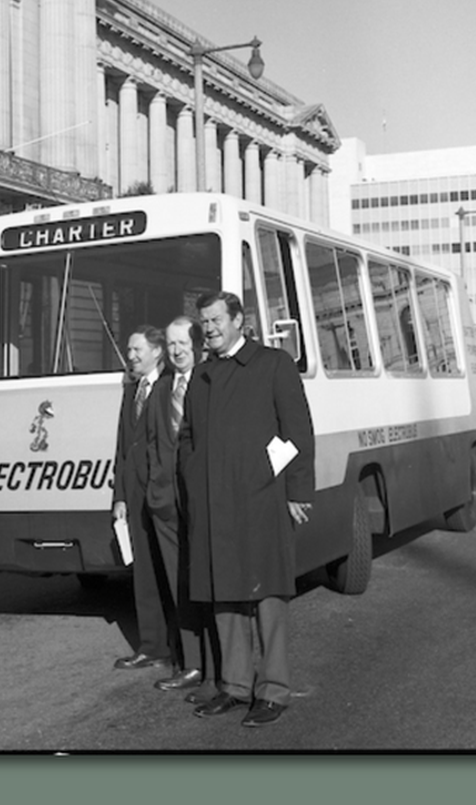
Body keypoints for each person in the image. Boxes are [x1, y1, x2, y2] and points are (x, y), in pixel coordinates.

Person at [178, 291, 316, 728]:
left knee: (268, 595)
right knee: (226, 595)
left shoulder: (273, 364)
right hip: (214, 504)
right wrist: (194, 479)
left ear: (239, 319)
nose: (210, 328)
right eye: (204, 322)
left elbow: (297, 432)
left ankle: (273, 690)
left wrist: (295, 491)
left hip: (262, 499)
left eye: (217, 320)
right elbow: (187, 438)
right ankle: (234, 686)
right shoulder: (201, 374)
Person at [149, 316, 213, 694]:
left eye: (182, 344)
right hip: (166, 504)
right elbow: (152, 445)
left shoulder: (210, 382)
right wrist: (154, 495)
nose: (176, 351)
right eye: (170, 345)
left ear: (197, 345)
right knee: (178, 583)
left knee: (208, 582)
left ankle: (218, 662)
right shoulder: (160, 390)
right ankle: (190, 663)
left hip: (203, 500)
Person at [110, 325, 179, 674]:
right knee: (144, 574)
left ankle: (181, 650)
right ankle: (152, 646)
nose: (131, 356)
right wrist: (120, 496)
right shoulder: (131, 389)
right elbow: (124, 446)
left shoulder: (170, 386)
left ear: (157, 352)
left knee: (170, 571)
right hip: (134, 495)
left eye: (137, 350)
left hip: (162, 493)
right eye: (129, 350)